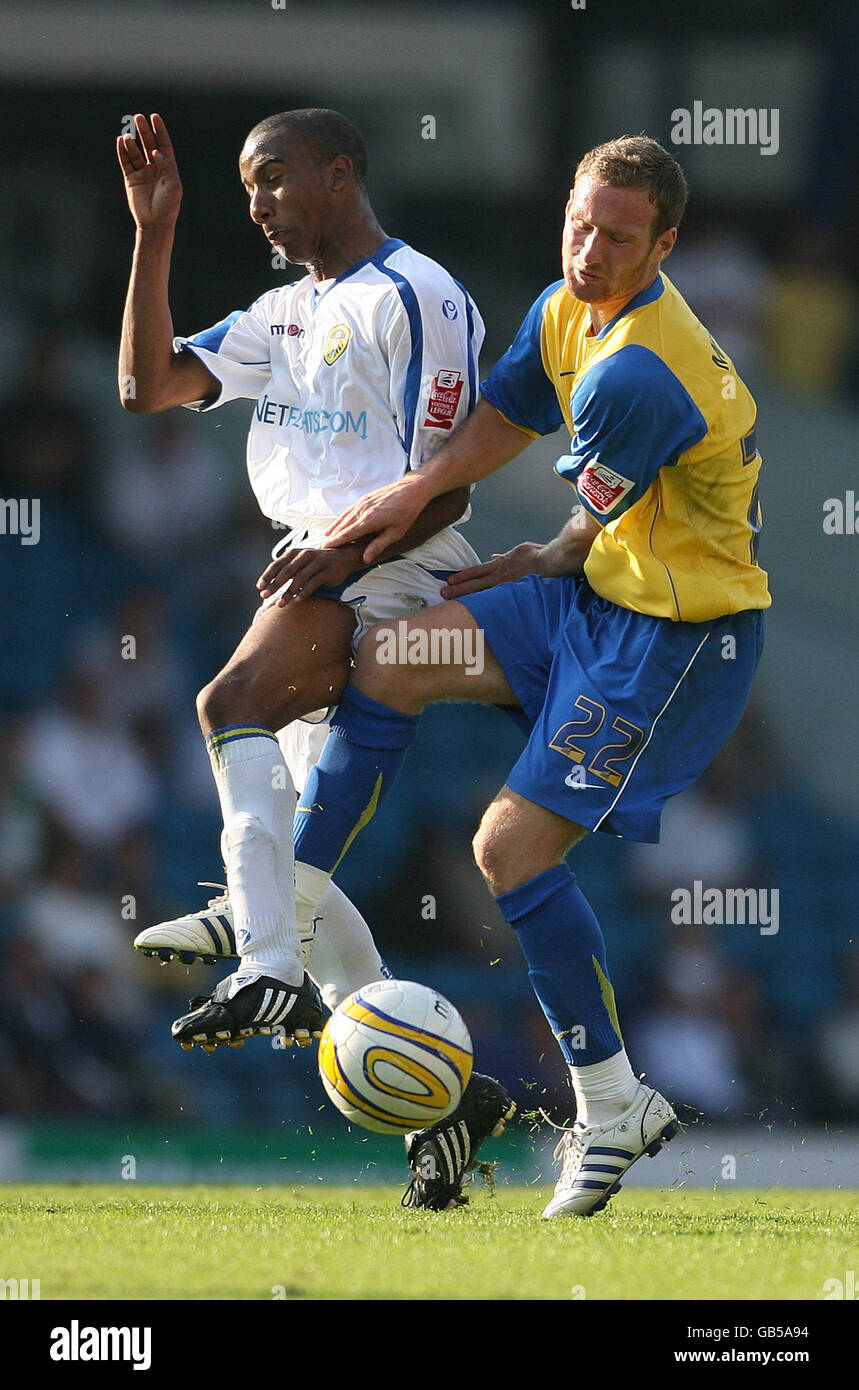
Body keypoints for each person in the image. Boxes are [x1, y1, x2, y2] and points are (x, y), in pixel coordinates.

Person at [283, 135, 771, 1216]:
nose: (591, 249)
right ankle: (292, 903)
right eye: (580, 223)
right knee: (394, 656)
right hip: (599, 593)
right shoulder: (565, 307)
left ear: (666, 247)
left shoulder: (646, 367)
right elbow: (506, 411)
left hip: (671, 639)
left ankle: (610, 1105)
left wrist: (532, 556)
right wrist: (415, 493)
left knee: (505, 848)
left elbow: (571, 532)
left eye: (620, 237)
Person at [116, 109, 515, 1186]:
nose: (258, 202)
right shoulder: (281, 313)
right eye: (246, 186)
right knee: (292, 863)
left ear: (341, 176)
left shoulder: (417, 295)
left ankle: (262, 962)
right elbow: (147, 386)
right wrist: (154, 232)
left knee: (225, 700)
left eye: (277, 179)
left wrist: (342, 557)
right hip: (320, 563)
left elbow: (449, 483)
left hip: (387, 570)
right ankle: (451, 1103)